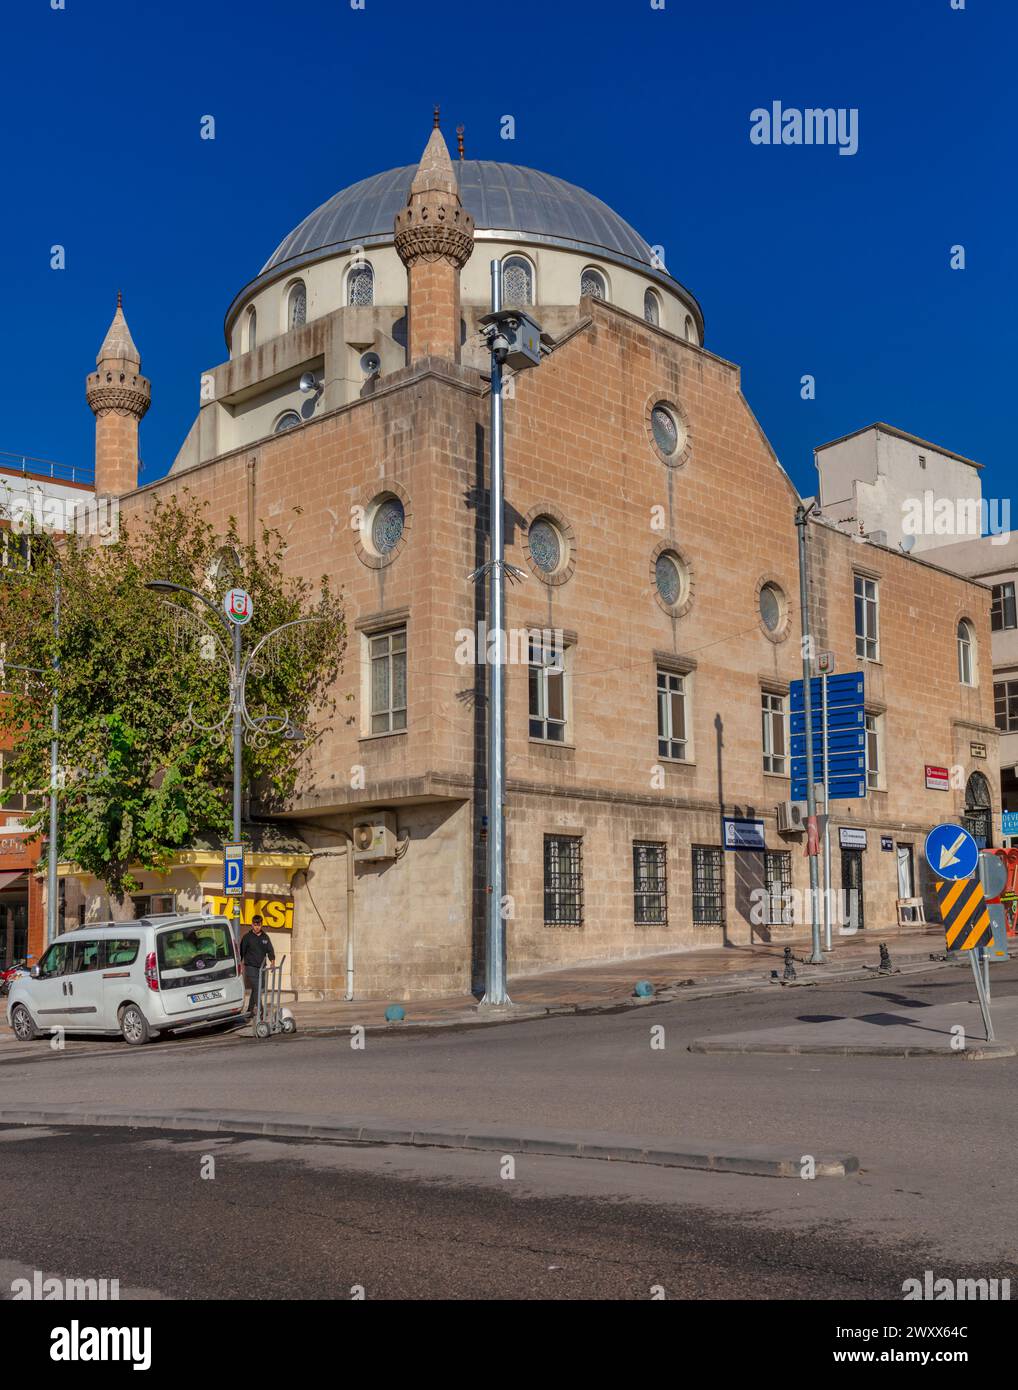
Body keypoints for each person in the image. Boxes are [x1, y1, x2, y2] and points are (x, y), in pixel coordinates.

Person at [239, 915, 275, 1020]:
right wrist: (240, 965)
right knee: (257, 988)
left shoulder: (265, 937)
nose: (257, 927)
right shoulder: (247, 937)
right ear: (252, 924)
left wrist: (272, 962)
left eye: (258, 925)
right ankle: (261, 1010)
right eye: (255, 925)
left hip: (261, 968)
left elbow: (270, 951)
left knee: (256, 989)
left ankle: (249, 1011)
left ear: (261, 925)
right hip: (250, 967)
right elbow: (241, 952)